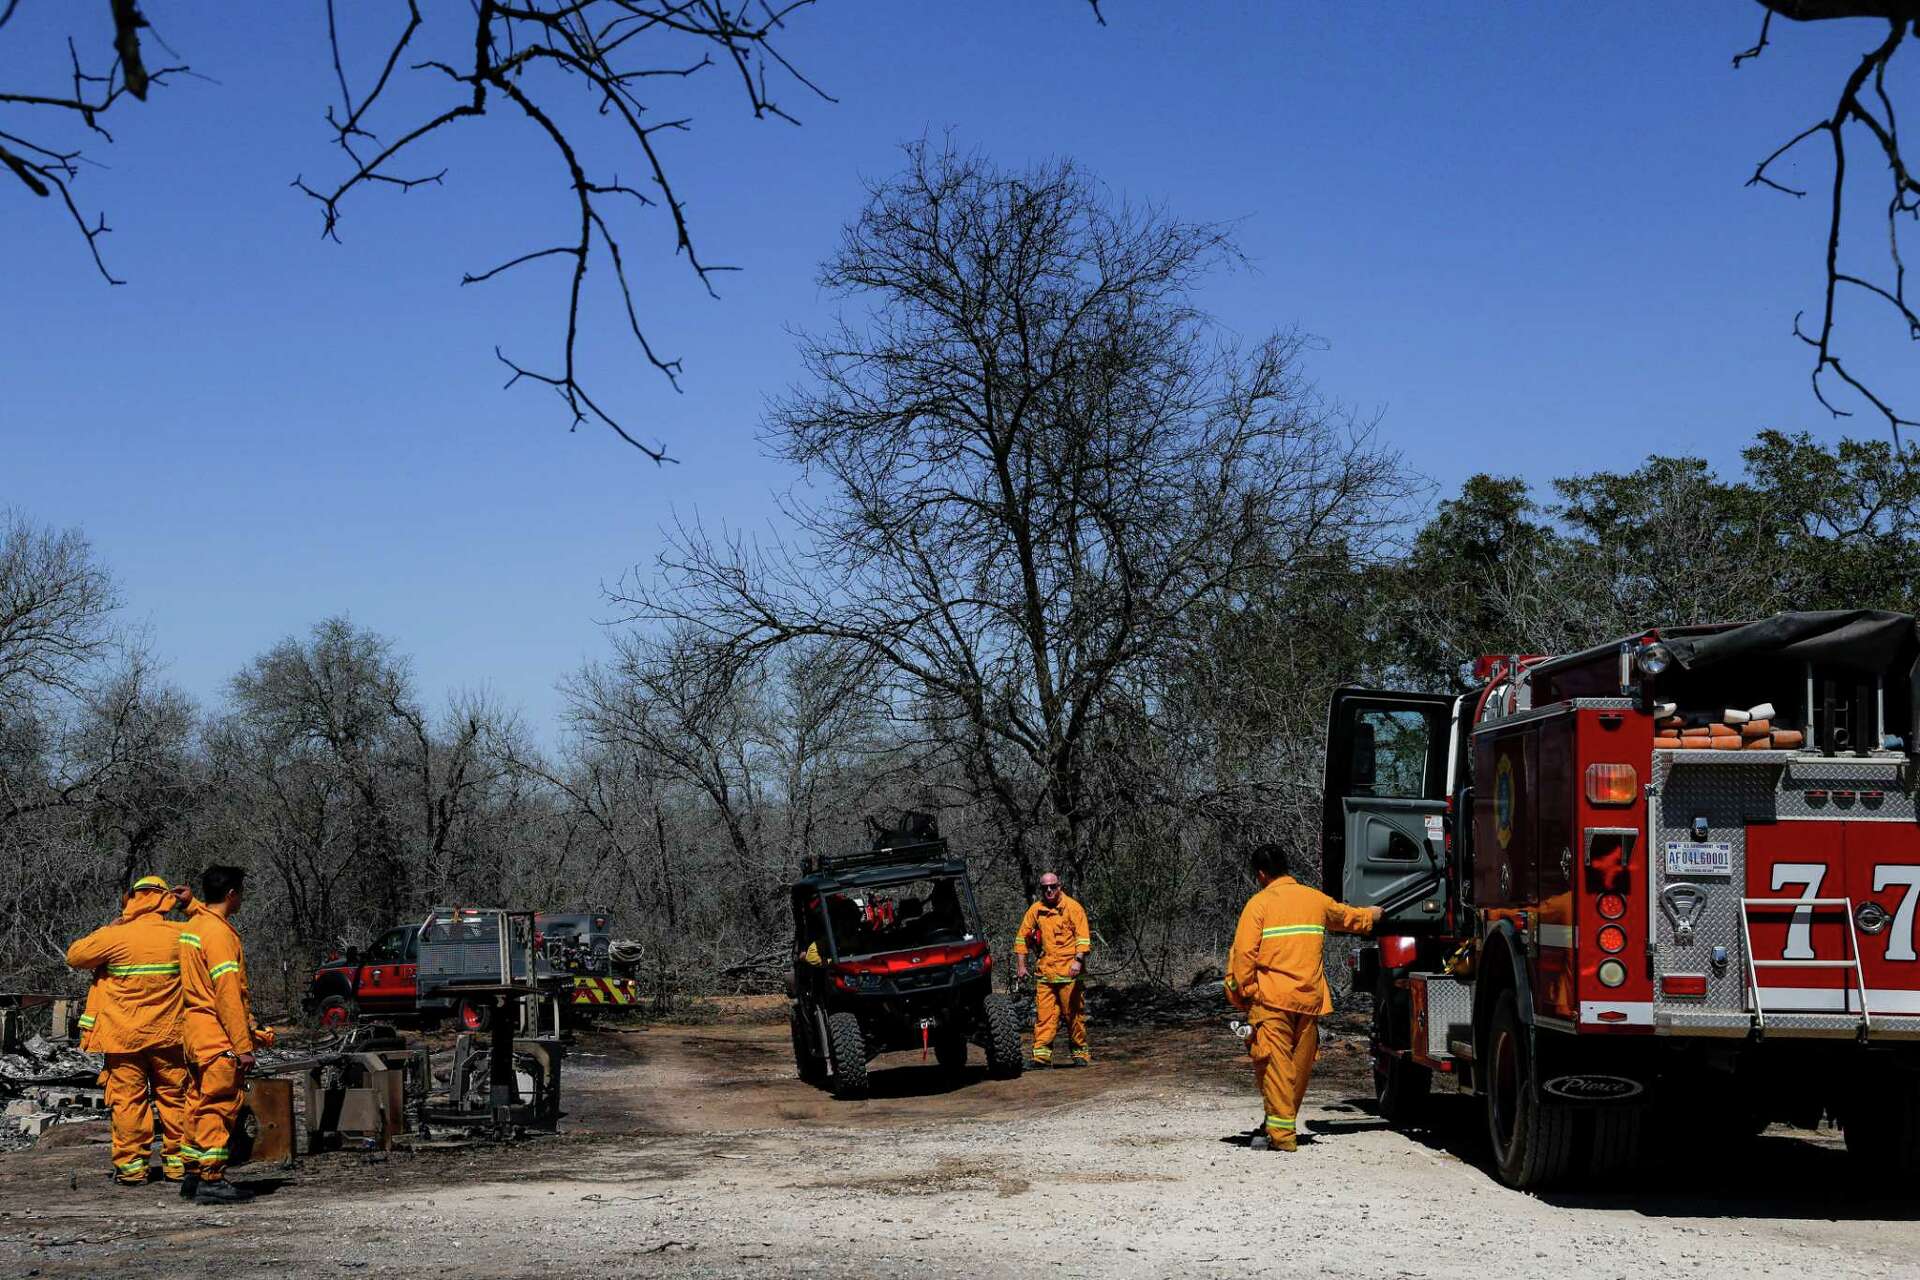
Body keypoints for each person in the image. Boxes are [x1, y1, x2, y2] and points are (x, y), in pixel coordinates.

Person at [1225, 843, 1382, 1152]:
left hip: (1271, 1001)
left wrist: (1242, 993)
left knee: (1275, 1067)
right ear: (1286, 866)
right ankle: (1278, 1124)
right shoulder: (1314, 899)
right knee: (1297, 1069)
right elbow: (1346, 917)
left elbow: (1243, 955)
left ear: (1260, 874)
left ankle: (1281, 1137)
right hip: (1308, 1001)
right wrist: (1372, 916)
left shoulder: (1259, 905)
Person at [64, 875, 196, 1187]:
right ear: (165, 900)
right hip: (170, 1036)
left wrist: (111, 926)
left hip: (124, 1039)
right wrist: (192, 906)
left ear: (132, 900)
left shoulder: (115, 937)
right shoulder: (183, 934)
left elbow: (75, 955)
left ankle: (132, 1169)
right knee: (175, 1098)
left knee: (128, 1103)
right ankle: (178, 1166)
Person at [178, 864, 271, 1204]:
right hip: (217, 1034)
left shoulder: (196, 925)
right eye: (242, 892)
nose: (243, 898)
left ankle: (192, 1173)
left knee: (196, 1103)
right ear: (232, 894)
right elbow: (228, 995)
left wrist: (190, 905)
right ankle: (212, 1180)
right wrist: (243, 1046)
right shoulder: (219, 935)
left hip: (194, 1032)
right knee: (219, 1106)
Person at [1013, 873, 1093, 1067]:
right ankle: (1041, 1057)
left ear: (1060, 886)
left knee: (1073, 1015)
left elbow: (1083, 939)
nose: (1049, 890)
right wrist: (1022, 966)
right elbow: (1021, 939)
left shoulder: (1073, 908)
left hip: (1069, 974)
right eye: (1045, 887)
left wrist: (1077, 961)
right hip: (1045, 974)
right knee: (1044, 1017)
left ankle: (1080, 1053)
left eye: (1052, 886)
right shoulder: (1036, 910)